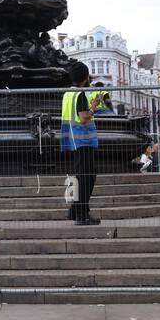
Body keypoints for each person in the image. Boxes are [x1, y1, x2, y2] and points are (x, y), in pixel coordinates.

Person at [60, 62, 100, 225]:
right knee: (88, 177)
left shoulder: (67, 94)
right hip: (83, 140)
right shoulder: (80, 94)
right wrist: (94, 107)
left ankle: (74, 210)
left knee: (79, 176)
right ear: (85, 77)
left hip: (71, 139)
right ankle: (82, 214)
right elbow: (83, 117)